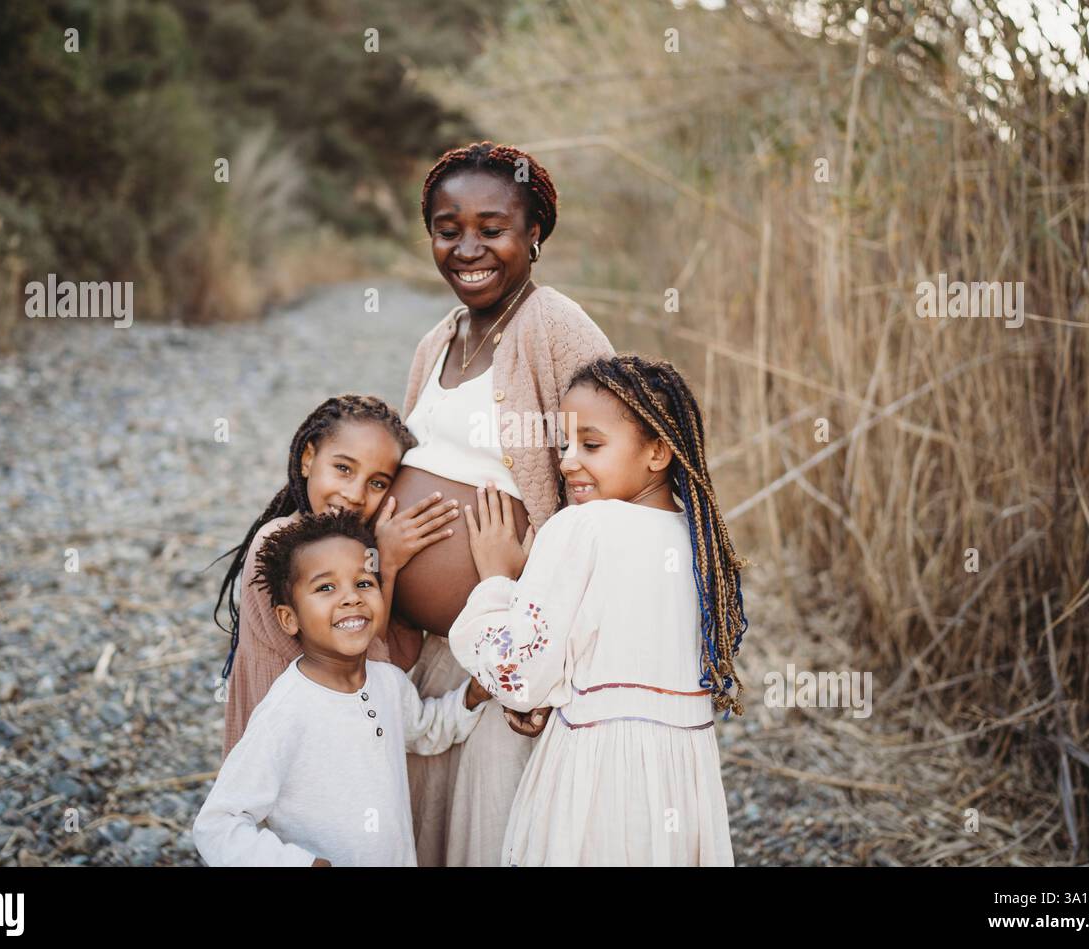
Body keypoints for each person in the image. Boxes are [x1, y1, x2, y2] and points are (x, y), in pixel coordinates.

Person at [385, 141, 616, 865]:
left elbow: (620, 467)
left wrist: (542, 610)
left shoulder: (555, 327)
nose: (468, 247)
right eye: (448, 228)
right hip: (432, 657)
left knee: (493, 832)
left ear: (535, 235)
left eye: (493, 227)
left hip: (513, 653)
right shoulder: (436, 341)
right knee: (427, 826)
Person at [448, 354, 748, 865]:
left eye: (591, 444)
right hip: (681, 790)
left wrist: (498, 581)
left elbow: (518, 673)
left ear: (657, 451)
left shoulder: (582, 527)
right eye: (565, 443)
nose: (566, 460)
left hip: (593, 786)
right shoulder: (703, 548)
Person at [194, 511, 490, 866]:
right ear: (290, 618)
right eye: (326, 587)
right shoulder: (288, 709)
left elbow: (425, 730)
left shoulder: (388, 681)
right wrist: (299, 864)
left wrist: (471, 697)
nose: (351, 598)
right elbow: (217, 825)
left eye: (364, 583)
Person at [214, 394, 457, 759]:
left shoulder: (354, 552)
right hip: (289, 757)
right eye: (343, 468)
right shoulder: (278, 544)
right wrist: (385, 564)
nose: (354, 494)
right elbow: (366, 667)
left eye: (377, 483)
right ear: (309, 458)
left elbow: (403, 656)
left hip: (333, 748)